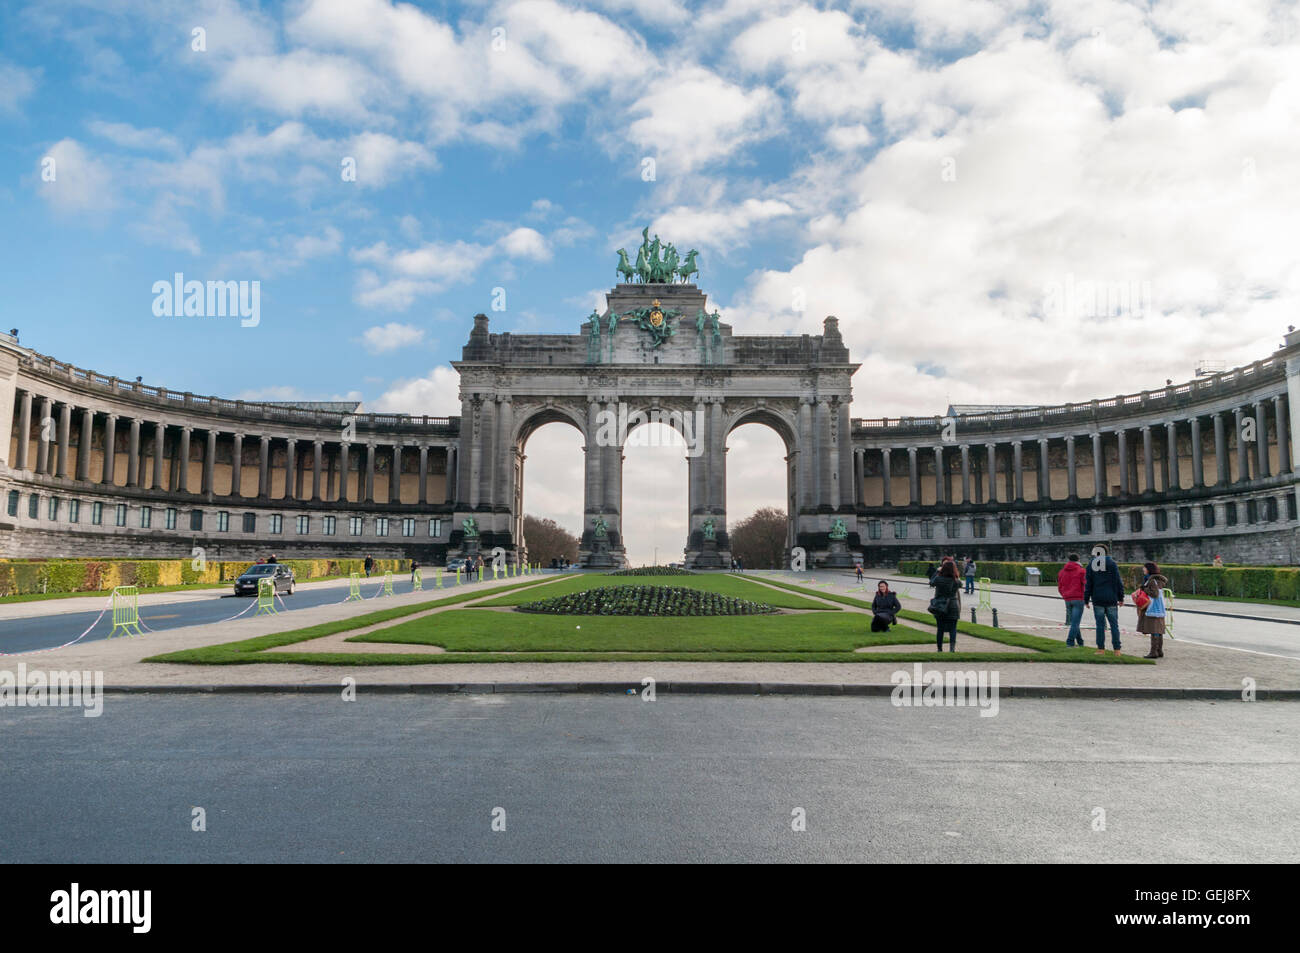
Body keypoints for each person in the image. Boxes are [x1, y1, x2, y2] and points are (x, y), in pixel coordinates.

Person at [1084, 546, 1124, 655]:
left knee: (1100, 626)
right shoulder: (1112, 564)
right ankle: (1117, 649)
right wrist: (1121, 597)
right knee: (1114, 625)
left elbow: (1088, 584)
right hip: (1111, 598)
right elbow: (1118, 582)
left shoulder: (1091, 565)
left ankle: (1101, 649)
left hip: (1098, 598)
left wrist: (1086, 599)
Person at [1136, 561, 1170, 659]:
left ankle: (1153, 652)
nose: (1143, 569)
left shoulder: (1151, 580)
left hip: (1153, 608)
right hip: (1159, 608)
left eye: (1144, 567)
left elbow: (1154, 594)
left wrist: (1143, 589)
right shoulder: (1157, 580)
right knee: (1158, 630)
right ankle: (1159, 651)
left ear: (1149, 569)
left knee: (1154, 629)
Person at [929, 561, 962, 651]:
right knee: (953, 628)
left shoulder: (938, 579)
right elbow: (960, 584)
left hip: (940, 605)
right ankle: (952, 648)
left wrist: (937, 571)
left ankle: (939, 649)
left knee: (940, 628)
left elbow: (931, 582)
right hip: (953, 605)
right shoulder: (956, 581)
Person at [1057, 553, 1087, 647]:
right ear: (1078, 560)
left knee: (1074, 621)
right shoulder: (1082, 571)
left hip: (1067, 599)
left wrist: (1065, 595)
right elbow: (1086, 585)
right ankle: (1070, 642)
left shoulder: (1062, 572)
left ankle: (1080, 642)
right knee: (1075, 622)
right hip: (1078, 598)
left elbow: (1060, 586)